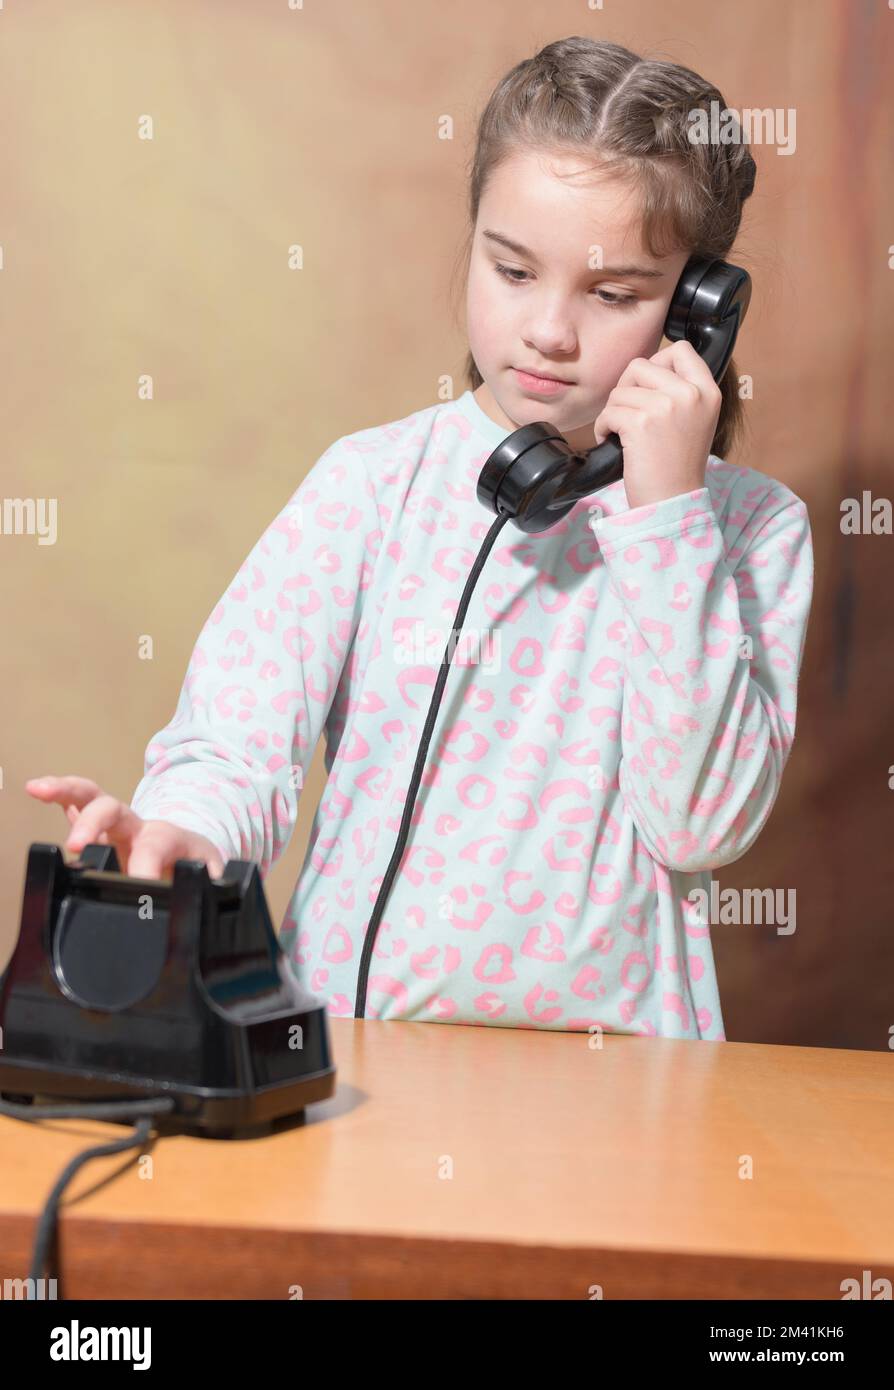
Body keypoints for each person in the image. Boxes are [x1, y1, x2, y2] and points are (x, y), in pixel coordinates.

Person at [26, 37, 813, 1039]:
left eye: (612, 294)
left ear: (702, 308)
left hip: (630, 1094)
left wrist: (665, 518)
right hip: (369, 1067)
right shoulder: (370, 485)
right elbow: (235, 741)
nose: (549, 330)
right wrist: (182, 833)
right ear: (474, 237)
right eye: (513, 269)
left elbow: (702, 820)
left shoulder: (749, 534)